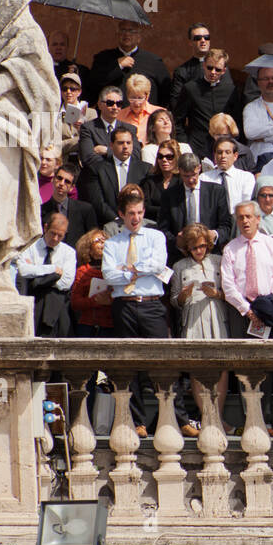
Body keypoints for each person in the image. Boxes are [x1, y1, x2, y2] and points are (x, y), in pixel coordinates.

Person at [101, 185, 172, 436]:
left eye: (140, 212)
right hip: (125, 306)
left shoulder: (156, 237)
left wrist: (129, 268)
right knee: (129, 364)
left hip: (151, 303)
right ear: (121, 213)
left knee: (162, 361)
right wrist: (140, 269)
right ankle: (138, 421)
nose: (136, 218)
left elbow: (159, 264)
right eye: (131, 213)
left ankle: (173, 416)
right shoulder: (112, 243)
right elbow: (109, 276)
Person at [172, 222, 230, 436]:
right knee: (197, 368)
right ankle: (207, 417)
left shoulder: (218, 261)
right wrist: (183, 296)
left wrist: (218, 295)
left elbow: (230, 291)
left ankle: (218, 416)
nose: (199, 251)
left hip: (216, 315)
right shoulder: (180, 267)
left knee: (221, 367)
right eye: (195, 247)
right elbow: (174, 301)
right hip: (193, 318)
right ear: (188, 248)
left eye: (203, 246)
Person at [220, 198, 273, 340]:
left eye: (248, 216)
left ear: (257, 219)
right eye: (240, 217)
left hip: (268, 309)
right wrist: (247, 310)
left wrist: (268, 305)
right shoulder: (230, 249)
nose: (245, 221)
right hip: (240, 310)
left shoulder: (272, 244)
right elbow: (228, 285)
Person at [159, 151, 232, 263]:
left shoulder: (216, 192)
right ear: (179, 171)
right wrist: (176, 241)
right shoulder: (169, 195)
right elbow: (163, 228)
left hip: (210, 254)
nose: (190, 180)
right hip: (180, 256)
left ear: (199, 168)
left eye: (193, 175)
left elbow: (226, 226)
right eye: (186, 176)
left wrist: (214, 235)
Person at [16, 210, 75, 336]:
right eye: (53, 233)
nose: (55, 239)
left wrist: (37, 279)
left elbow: (66, 282)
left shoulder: (68, 252)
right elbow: (23, 270)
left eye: (60, 236)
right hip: (34, 301)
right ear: (46, 227)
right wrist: (52, 270)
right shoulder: (30, 247)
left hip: (56, 305)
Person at [79, 126, 152, 228]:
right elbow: (98, 202)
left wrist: (133, 219)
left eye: (128, 143)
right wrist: (117, 220)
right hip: (108, 226)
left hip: (138, 224)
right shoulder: (96, 169)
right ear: (111, 145)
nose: (125, 146)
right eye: (121, 143)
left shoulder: (145, 169)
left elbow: (146, 200)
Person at [87, 20, 170, 108]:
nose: (127, 34)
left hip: (143, 117)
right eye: (123, 30)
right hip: (112, 116)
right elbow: (93, 84)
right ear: (117, 35)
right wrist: (118, 66)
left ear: (139, 37)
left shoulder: (153, 61)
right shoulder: (103, 58)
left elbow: (166, 93)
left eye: (131, 31)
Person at [173, 49, 238, 160]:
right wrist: (185, 144)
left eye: (218, 69)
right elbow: (178, 120)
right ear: (203, 65)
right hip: (197, 147)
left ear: (224, 71)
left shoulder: (231, 90)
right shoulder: (190, 88)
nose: (213, 72)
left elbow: (236, 120)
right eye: (209, 67)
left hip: (224, 148)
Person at [78, 86, 140, 167]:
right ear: (99, 105)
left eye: (119, 104)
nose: (115, 107)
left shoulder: (130, 129)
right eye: (110, 103)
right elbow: (88, 158)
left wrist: (108, 151)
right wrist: (120, 157)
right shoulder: (88, 128)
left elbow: (135, 156)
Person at [199, 134, 256, 219]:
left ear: (235, 156)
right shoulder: (204, 178)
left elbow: (247, 204)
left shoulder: (246, 178)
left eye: (227, 152)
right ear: (214, 155)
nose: (223, 156)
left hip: (237, 221)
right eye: (219, 152)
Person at [69, 228, 113, 337]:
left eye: (104, 240)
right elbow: (75, 302)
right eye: (98, 240)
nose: (102, 244)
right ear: (88, 247)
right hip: (88, 326)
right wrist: (95, 301)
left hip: (110, 325)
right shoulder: (82, 271)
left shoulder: (114, 271)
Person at [168, 22, 220, 111]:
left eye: (206, 37)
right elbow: (175, 102)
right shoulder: (182, 71)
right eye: (198, 38)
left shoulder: (220, 67)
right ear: (190, 42)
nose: (203, 40)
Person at [141, 138, 181, 224]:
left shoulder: (182, 180)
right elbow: (144, 207)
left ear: (177, 158)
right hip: (152, 223)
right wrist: (167, 210)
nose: (164, 160)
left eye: (169, 157)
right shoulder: (149, 181)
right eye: (160, 156)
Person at [118, 72, 161, 144]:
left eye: (140, 98)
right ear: (127, 96)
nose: (137, 103)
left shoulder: (159, 113)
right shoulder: (119, 116)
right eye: (133, 98)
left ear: (147, 96)